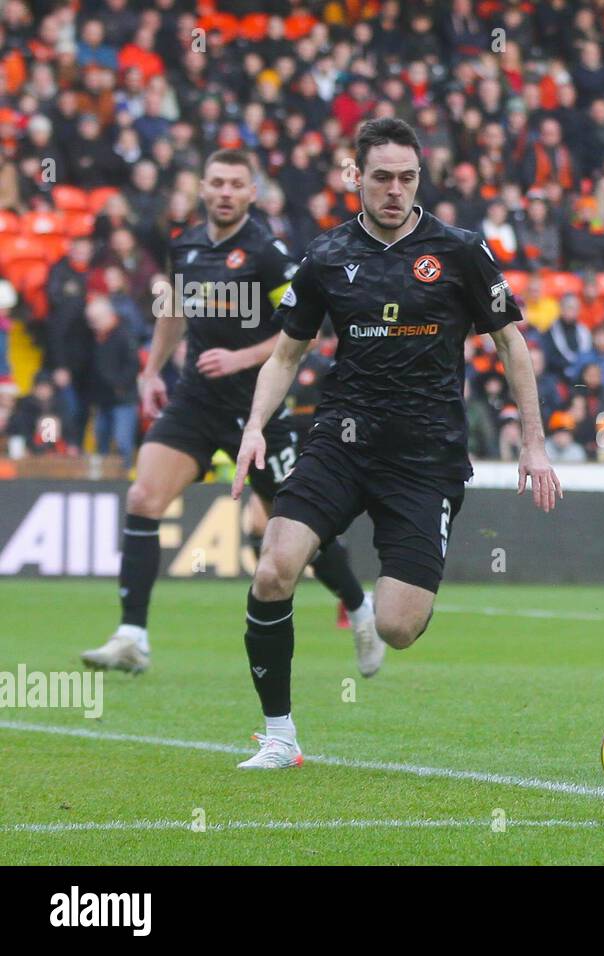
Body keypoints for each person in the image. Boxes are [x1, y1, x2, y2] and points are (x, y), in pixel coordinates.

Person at [230, 118, 561, 769]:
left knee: (398, 627)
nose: (394, 189)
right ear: (356, 177)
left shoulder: (460, 250)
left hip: (425, 457)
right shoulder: (326, 256)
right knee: (273, 569)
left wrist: (534, 444)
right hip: (341, 442)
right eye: (381, 177)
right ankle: (279, 737)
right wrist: (254, 426)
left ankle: (391, 593)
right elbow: (287, 355)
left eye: (407, 178)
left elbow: (511, 344)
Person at [81, 149, 373, 677]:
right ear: (202, 188)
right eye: (216, 182)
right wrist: (151, 372)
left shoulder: (268, 254)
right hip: (195, 400)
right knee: (143, 497)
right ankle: (132, 636)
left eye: (236, 184)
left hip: (256, 410)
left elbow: (304, 331)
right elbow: (172, 311)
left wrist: (241, 358)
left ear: (251, 193)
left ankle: (358, 606)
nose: (224, 192)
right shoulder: (185, 244)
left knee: (296, 531)